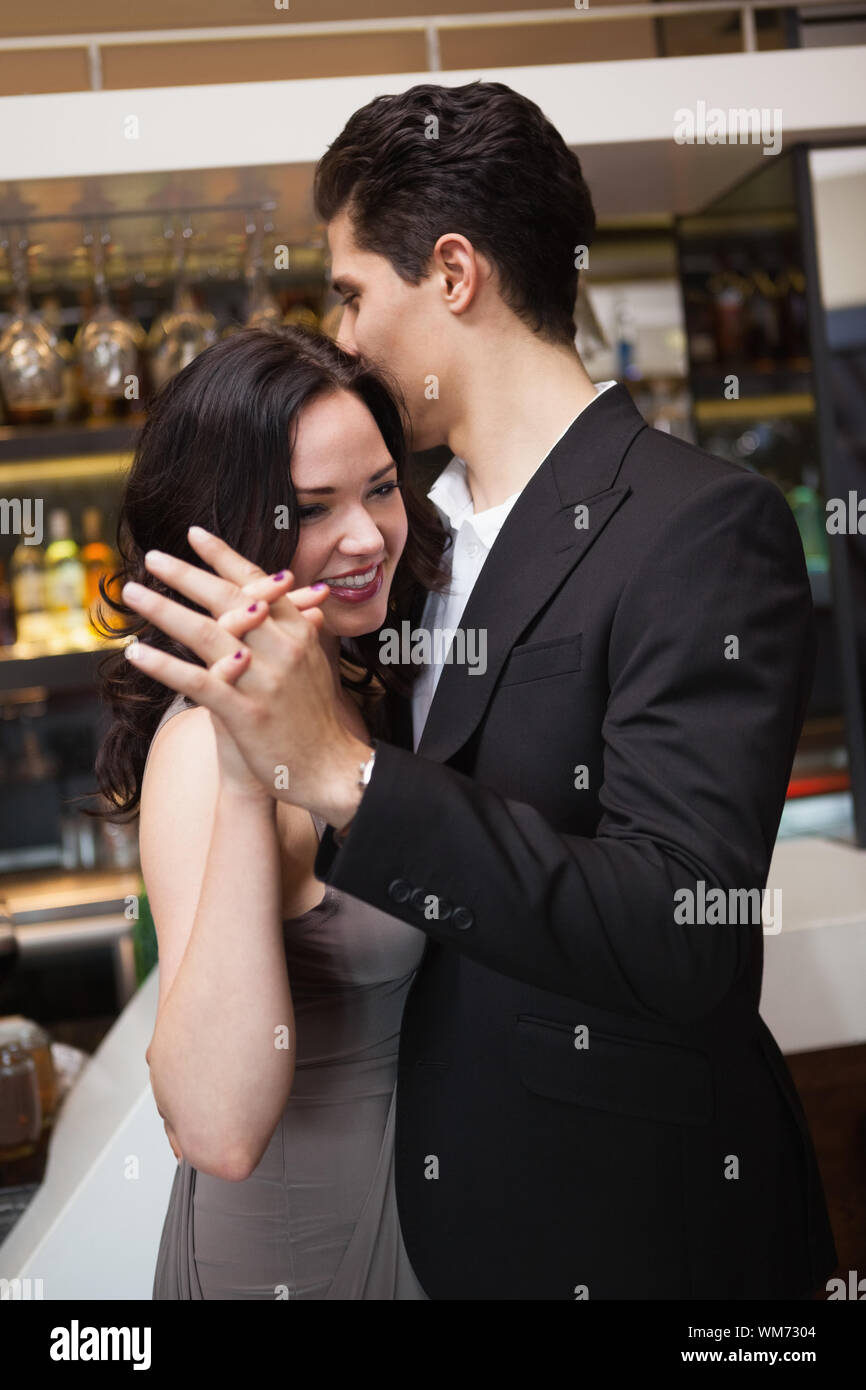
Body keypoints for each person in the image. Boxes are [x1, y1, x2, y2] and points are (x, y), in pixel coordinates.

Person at [119, 79, 838, 1299]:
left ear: (451, 273)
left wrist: (342, 775)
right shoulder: (401, 553)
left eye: (352, 292)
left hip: (626, 1223)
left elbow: (682, 927)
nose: (339, 336)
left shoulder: (698, 525)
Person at [95, 324, 452, 1298]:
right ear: (226, 530)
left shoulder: (350, 684)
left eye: (381, 488)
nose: (367, 535)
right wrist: (254, 774)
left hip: (404, 1241)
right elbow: (216, 1129)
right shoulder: (205, 752)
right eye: (312, 508)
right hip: (290, 1263)